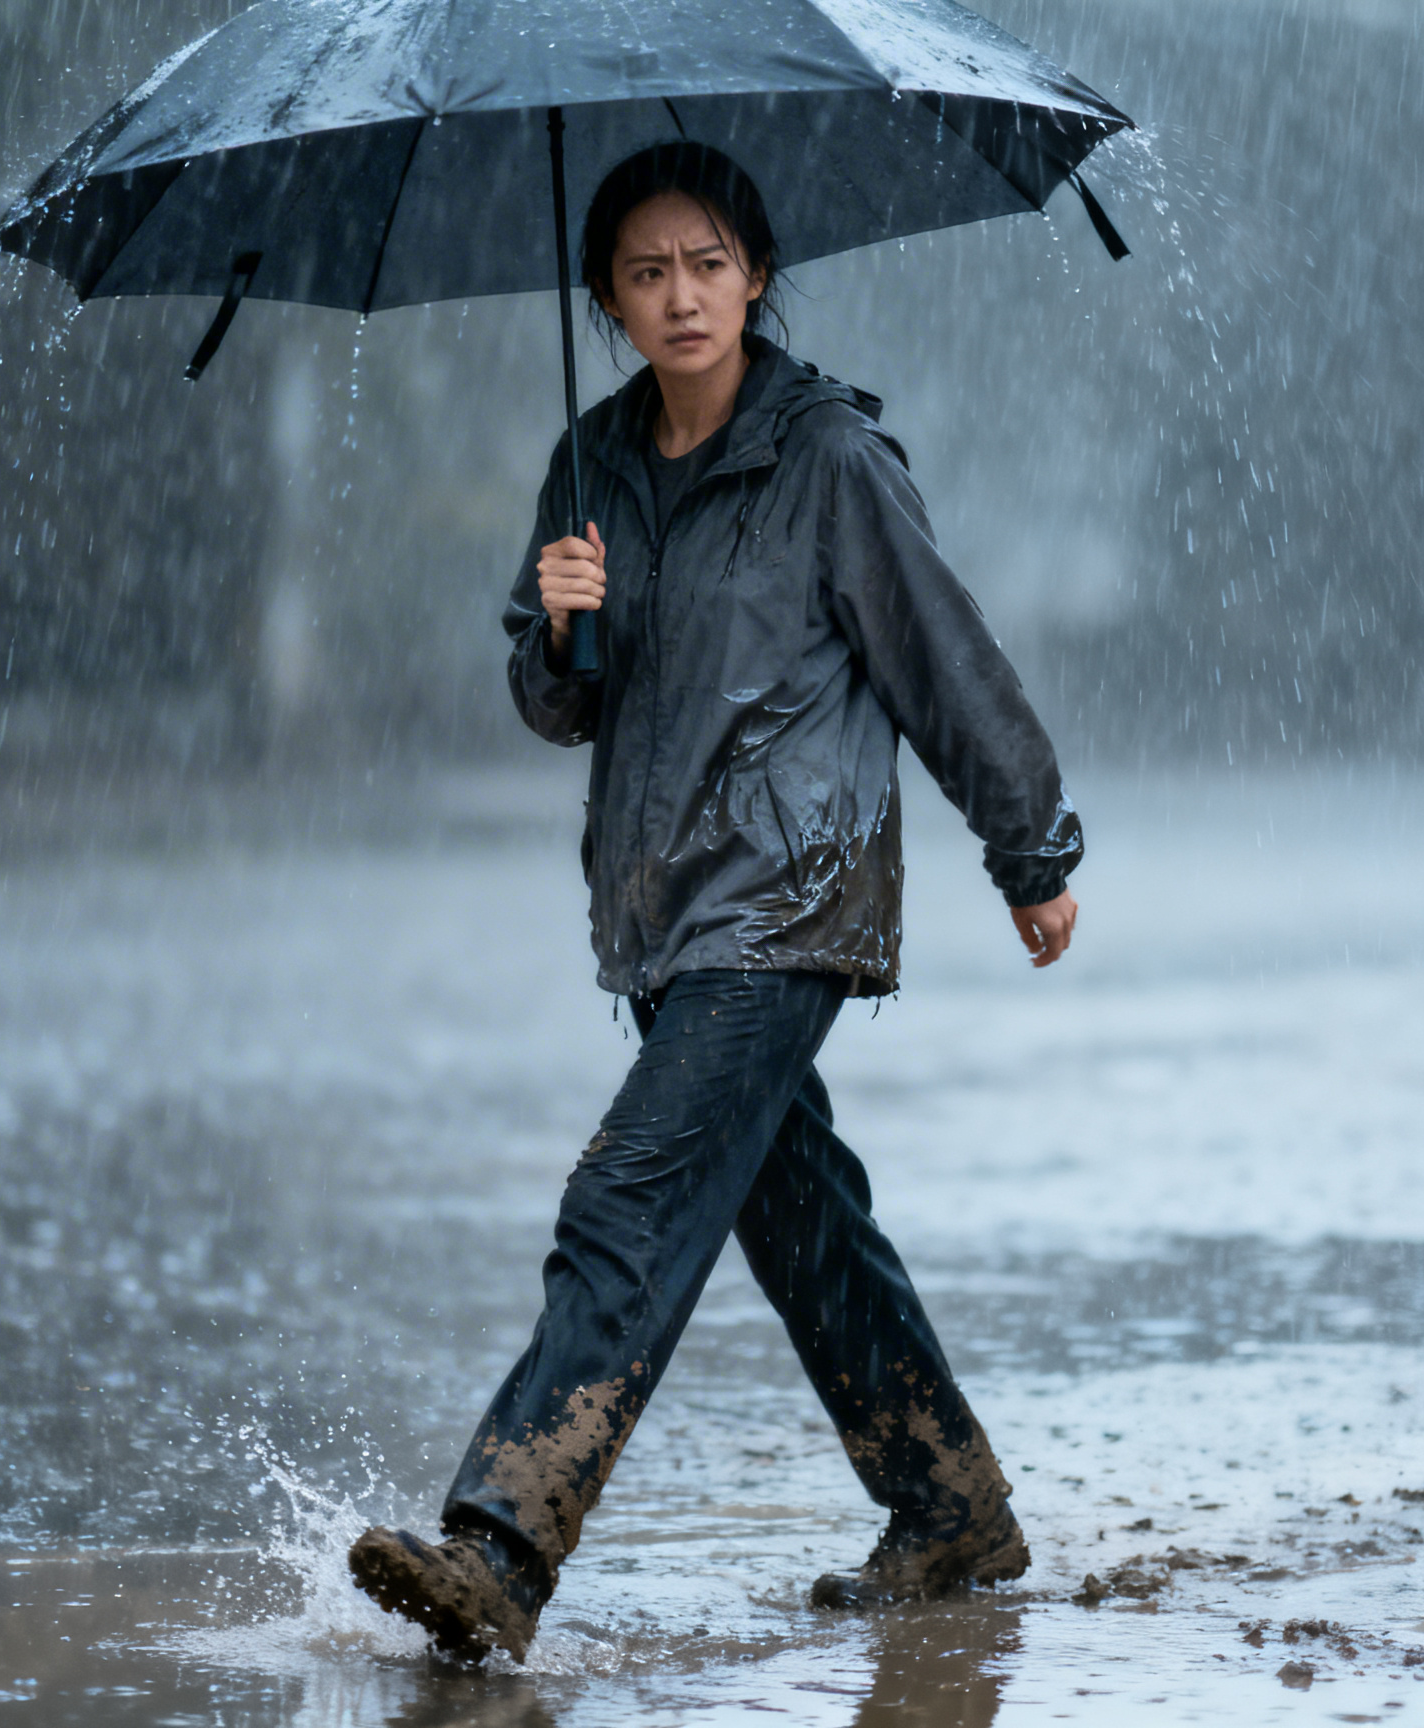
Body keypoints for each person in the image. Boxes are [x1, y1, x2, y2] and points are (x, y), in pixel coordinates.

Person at [349, 141, 1082, 1664]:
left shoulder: (829, 458)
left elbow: (941, 654)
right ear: (606, 300)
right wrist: (561, 631)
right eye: (645, 272)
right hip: (663, 912)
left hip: (791, 893)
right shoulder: (590, 462)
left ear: (755, 276)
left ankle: (501, 1546)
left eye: (707, 264)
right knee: (798, 1215)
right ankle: (947, 1506)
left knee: (627, 1197)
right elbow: (558, 708)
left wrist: (1031, 847)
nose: (680, 296)